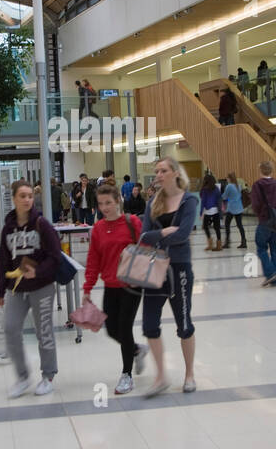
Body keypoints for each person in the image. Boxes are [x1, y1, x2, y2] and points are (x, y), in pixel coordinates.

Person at [138, 157, 200, 396]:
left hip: (179, 268)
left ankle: (189, 374)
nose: (159, 175)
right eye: (156, 171)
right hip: (155, 267)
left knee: (184, 324)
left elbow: (183, 234)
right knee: (149, 324)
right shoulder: (153, 202)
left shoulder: (188, 201)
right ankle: (161, 376)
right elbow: (144, 237)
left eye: (163, 170)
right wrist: (164, 231)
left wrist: (157, 237)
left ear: (175, 172)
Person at [0, 179, 62, 398]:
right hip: (16, 288)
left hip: (41, 287)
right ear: (14, 198)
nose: (27, 200)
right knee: (10, 328)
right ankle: (22, 377)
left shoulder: (42, 224)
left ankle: (48, 376)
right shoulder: (7, 228)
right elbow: (2, 260)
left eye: (30, 196)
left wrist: (39, 271)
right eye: (22, 196)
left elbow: (55, 257)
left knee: (44, 331)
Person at [83, 183, 148, 395]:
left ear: (118, 200)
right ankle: (137, 350)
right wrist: (87, 288)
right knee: (111, 329)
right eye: (101, 204)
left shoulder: (132, 222)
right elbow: (94, 259)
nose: (105, 207)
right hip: (111, 284)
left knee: (125, 326)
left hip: (132, 284)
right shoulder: (99, 228)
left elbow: (146, 248)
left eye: (108, 203)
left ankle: (126, 375)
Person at [250, 160, 276, 287]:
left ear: (261, 170)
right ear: (271, 170)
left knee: (261, 248)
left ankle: (270, 273)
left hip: (264, 220)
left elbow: (255, 204)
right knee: (275, 250)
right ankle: (274, 279)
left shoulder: (257, 185)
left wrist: (259, 213)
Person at [222, 172, 247, 249]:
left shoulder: (229, 186)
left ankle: (227, 242)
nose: (226, 179)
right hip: (239, 208)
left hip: (231, 208)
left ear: (229, 178)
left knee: (227, 225)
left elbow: (224, 197)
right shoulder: (238, 186)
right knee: (240, 225)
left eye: (227, 178)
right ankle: (244, 242)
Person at [199, 172, 223, 251]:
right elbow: (219, 199)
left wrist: (200, 212)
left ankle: (210, 244)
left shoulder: (205, 189)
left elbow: (203, 202)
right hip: (216, 210)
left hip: (208, 211)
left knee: (205, 226)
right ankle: (219, 245)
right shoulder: (216, 188)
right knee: (217, 228)